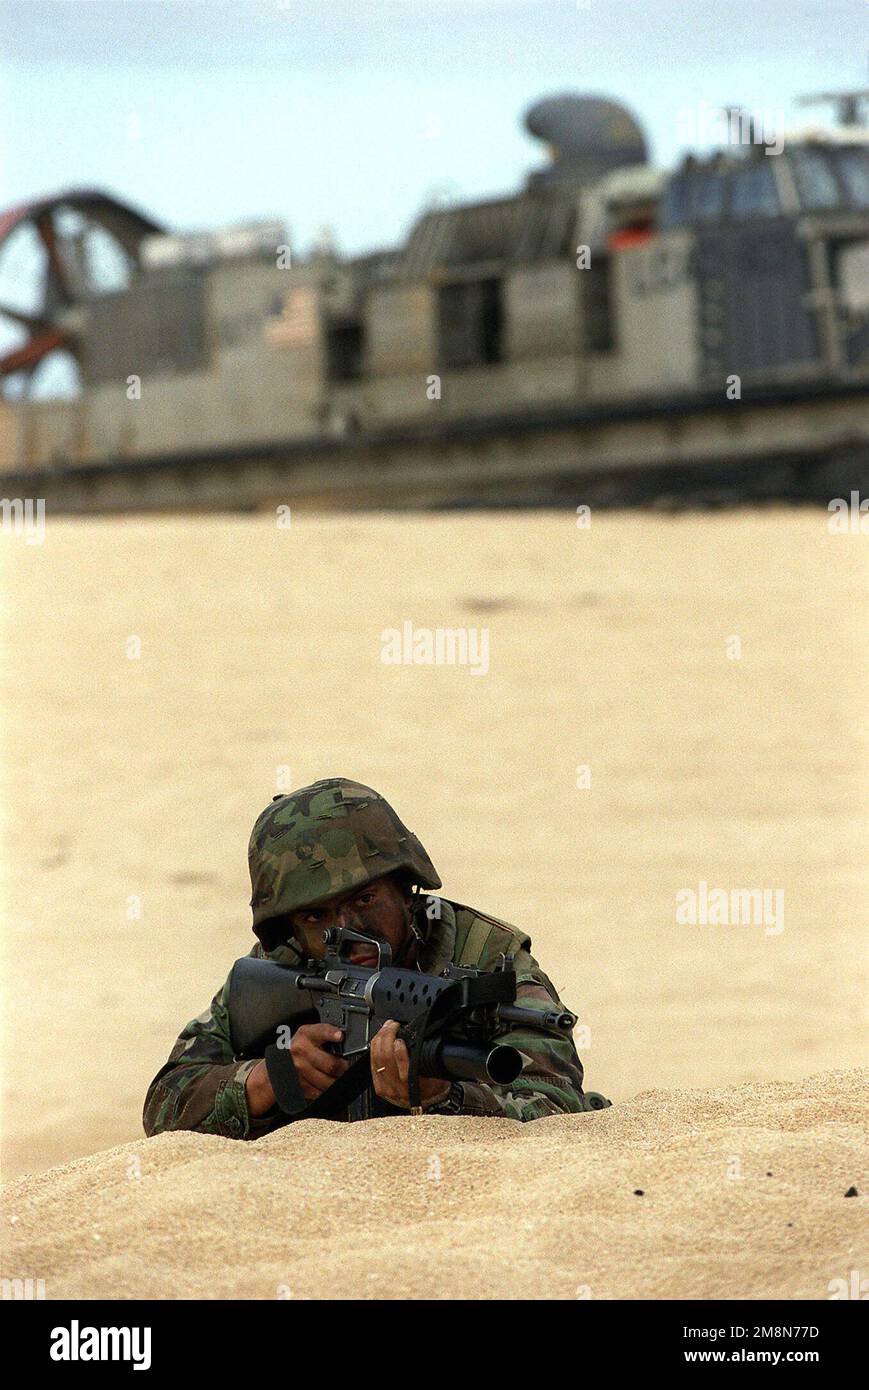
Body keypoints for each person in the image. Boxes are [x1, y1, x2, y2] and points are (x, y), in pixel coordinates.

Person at [143, 778, 590, 1137]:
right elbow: (165, 1105)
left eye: (364, 900)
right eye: (316, 915)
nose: (348, 931)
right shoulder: (280, 966)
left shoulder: (488, 956)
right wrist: (266, 1080)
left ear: (404, 887)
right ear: (289, 924)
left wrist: (447, 1100)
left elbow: (556, 1108)